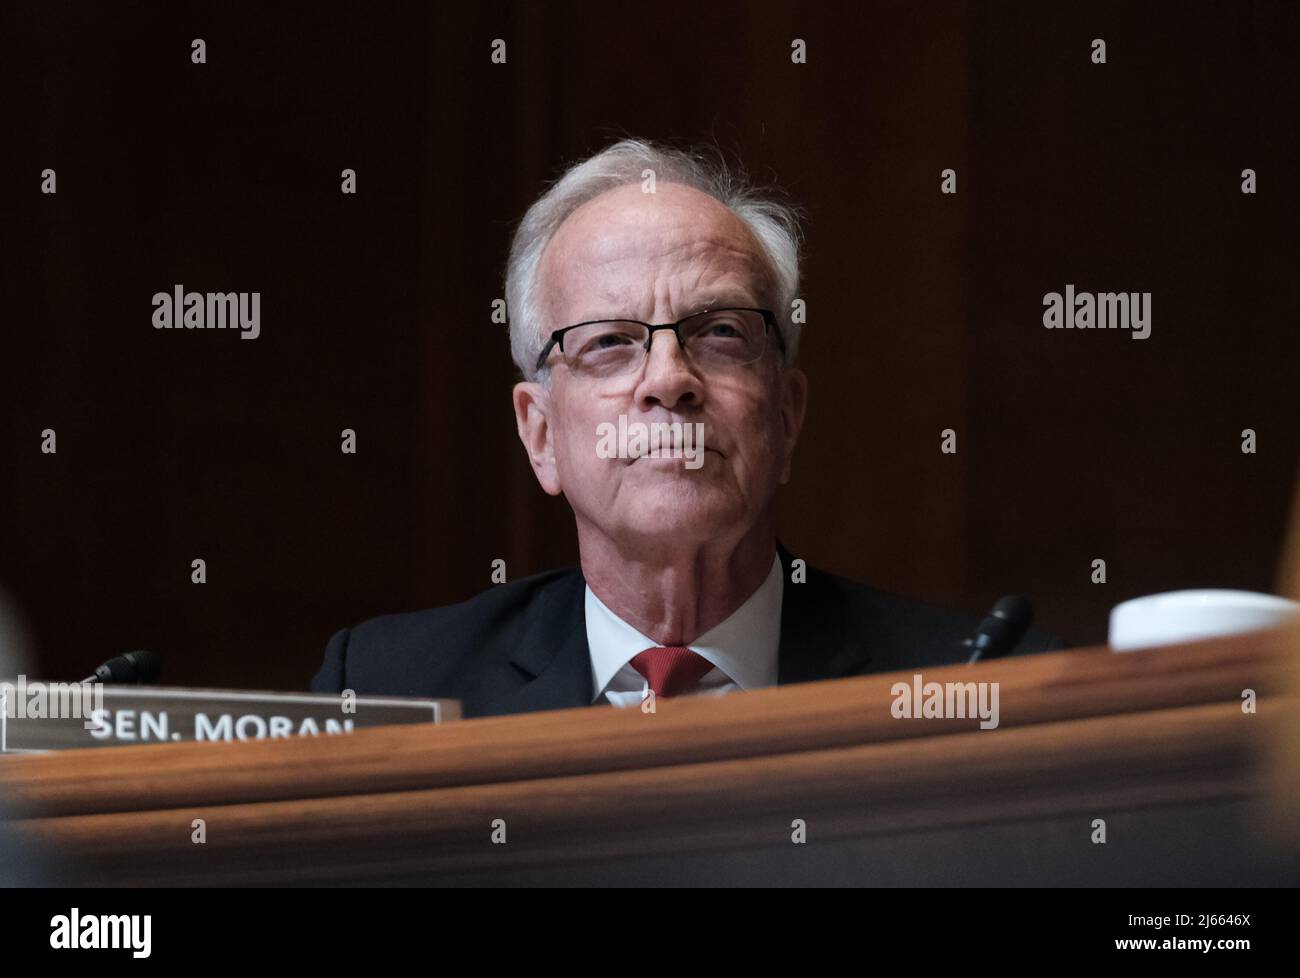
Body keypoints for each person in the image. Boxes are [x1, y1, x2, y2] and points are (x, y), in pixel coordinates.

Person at [311, 139, 1060, 717]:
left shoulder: (975, 685)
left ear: (788, 416)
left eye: (722, 333)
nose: (669, 380)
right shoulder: (389, 691)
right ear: (540, 435)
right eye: (608, 342)